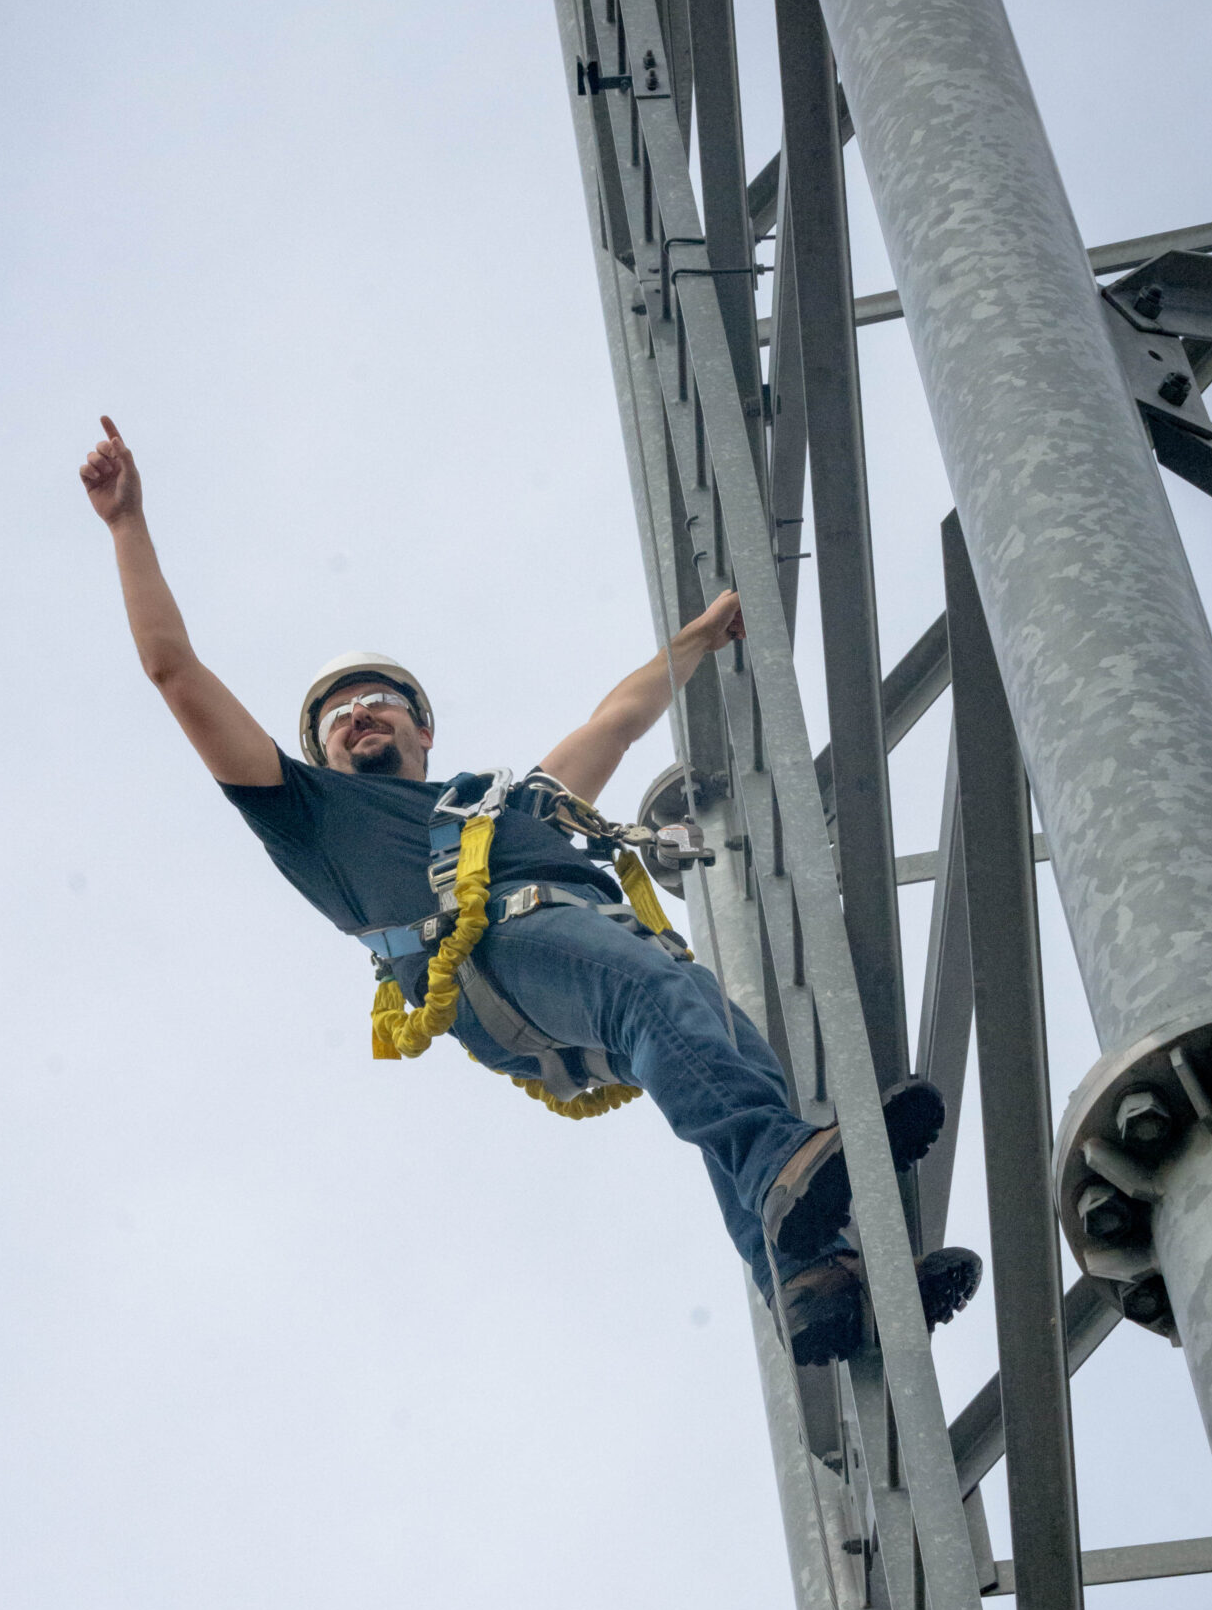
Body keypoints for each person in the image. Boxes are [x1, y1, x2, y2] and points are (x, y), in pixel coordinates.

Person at [79, 414, 980, 1364]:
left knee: (710, 1039)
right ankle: (779, 1172)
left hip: (559, 961)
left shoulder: (504, 805)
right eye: (334, 718)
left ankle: (817, 1283)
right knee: (654, 995)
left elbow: (619, 721)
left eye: (374, 700)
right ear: (321, 755)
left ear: (422, 728)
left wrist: (703, 637)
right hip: (495, 959)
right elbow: (173, 673)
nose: (354, 717)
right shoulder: (311, 816)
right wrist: (127, 525)